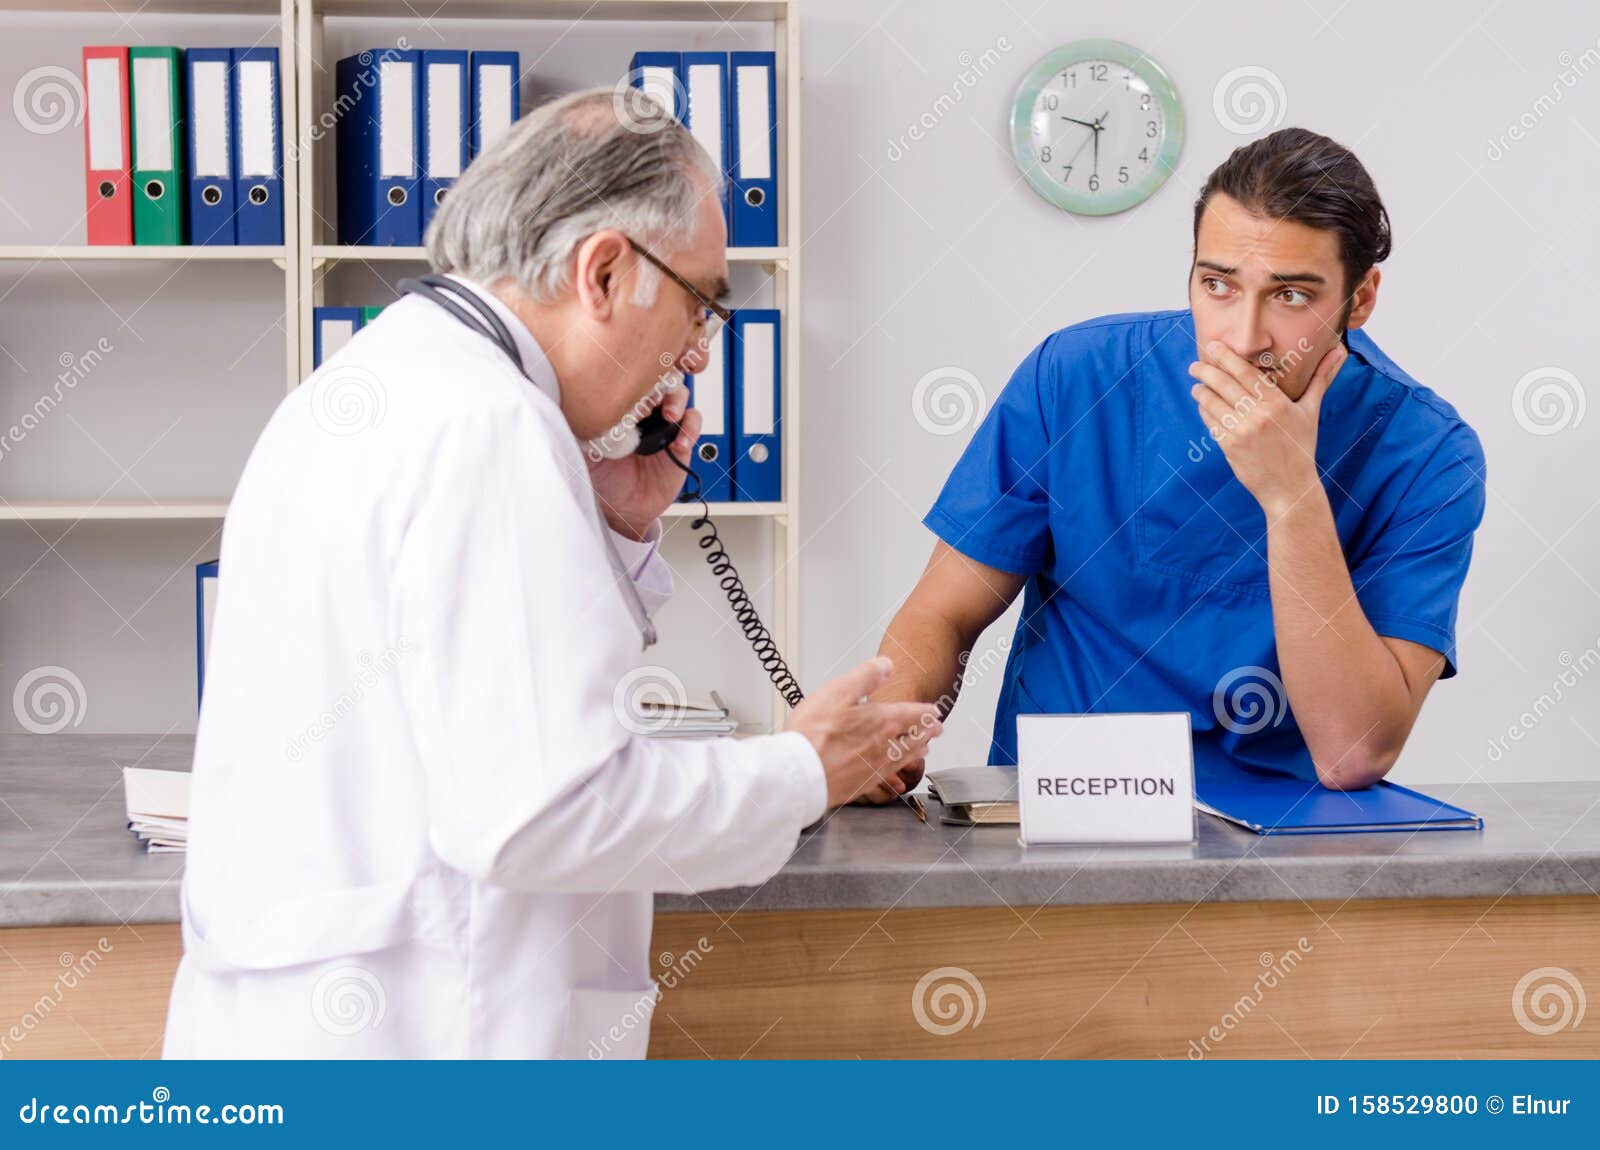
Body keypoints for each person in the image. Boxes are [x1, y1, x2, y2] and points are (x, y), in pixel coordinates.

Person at [164, 88, 941, 1058]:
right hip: (430, 1033)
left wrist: (611, 522)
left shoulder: (371, 385)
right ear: (605, 271)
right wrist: (799, 770)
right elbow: (539, 813)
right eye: (703, 298)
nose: (699, 350)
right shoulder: (491, 425)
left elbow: (467, 699)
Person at [870, 127, 1485, 800]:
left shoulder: (1427, 452)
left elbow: (1352, 752)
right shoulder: (1076, 378)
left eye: (1290, 296)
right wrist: (886, 730)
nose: (1244, 339)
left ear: (1360, 299)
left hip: (1287, 839)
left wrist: (1292, 497)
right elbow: (943, 615)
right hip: (1059, 813)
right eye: (1218, 284)